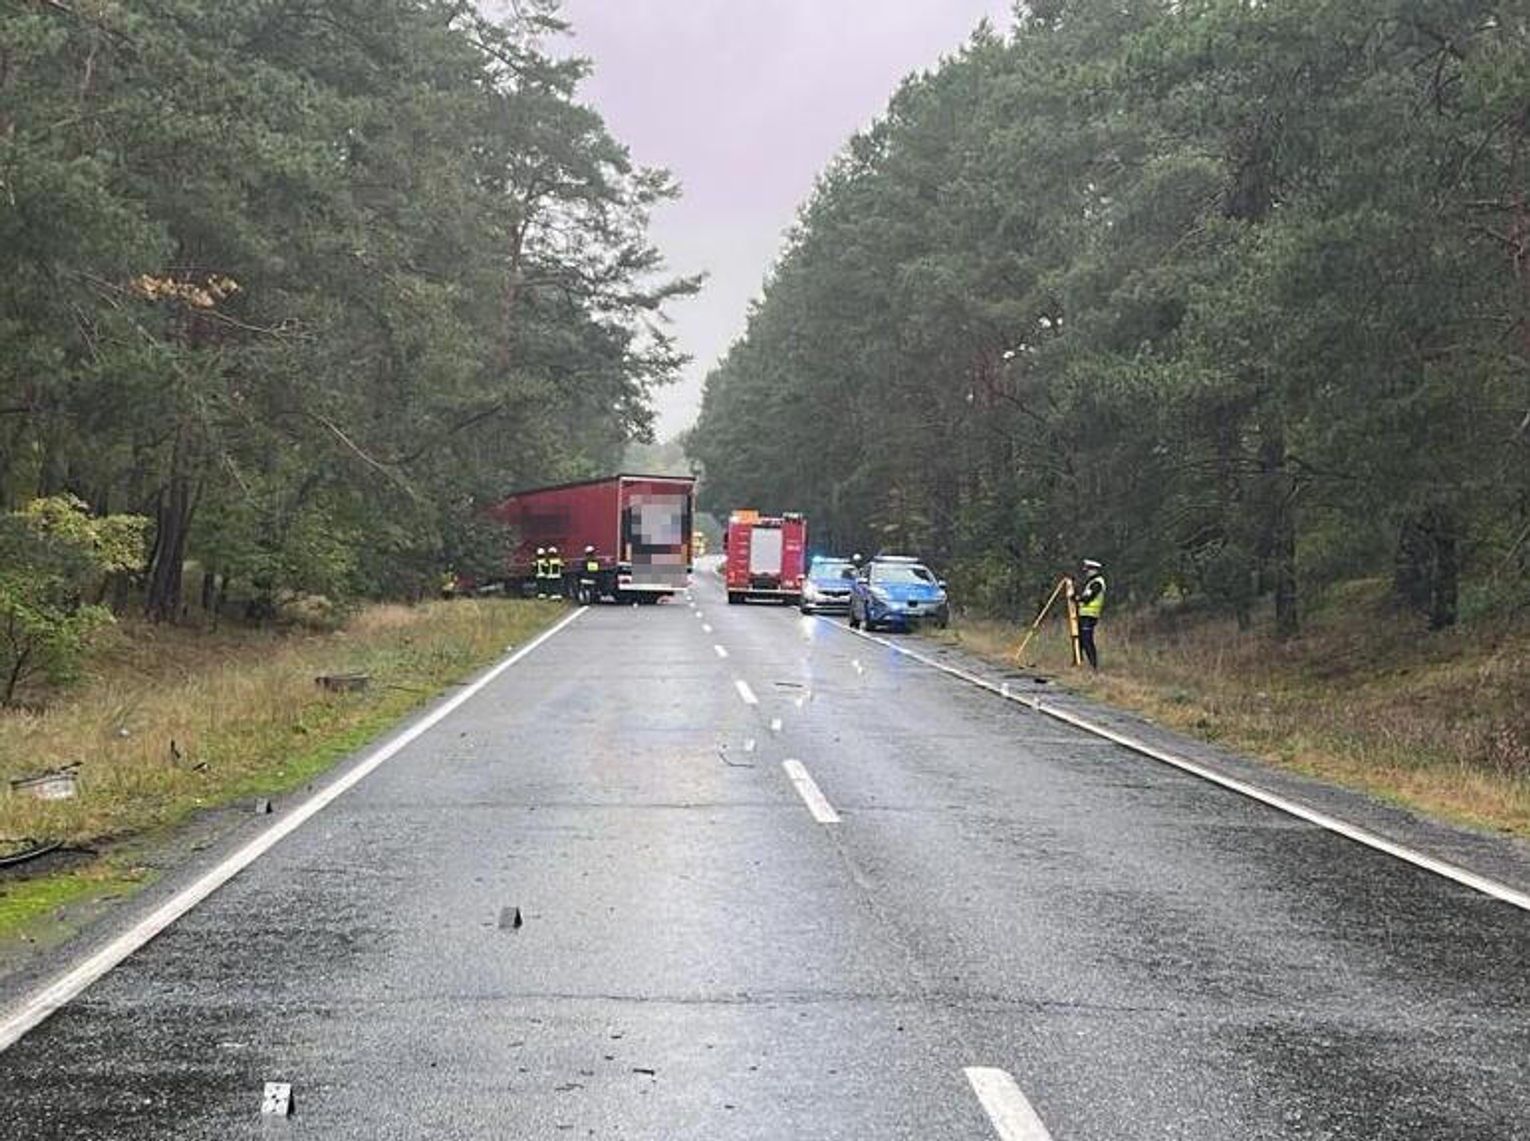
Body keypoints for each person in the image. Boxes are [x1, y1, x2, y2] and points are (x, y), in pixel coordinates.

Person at [1075, 558, 1106, 670]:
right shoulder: (1091, 582)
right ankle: (1079, 662)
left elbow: (1088, 598)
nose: (1086, 573)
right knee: (1080, 640)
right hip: (1084, 615)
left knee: (1087, 640)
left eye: (1087, 570)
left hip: (1090, 615)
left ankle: (1093, 665)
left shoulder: (1097, 583)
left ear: (1094, 570)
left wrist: (1077, 598)